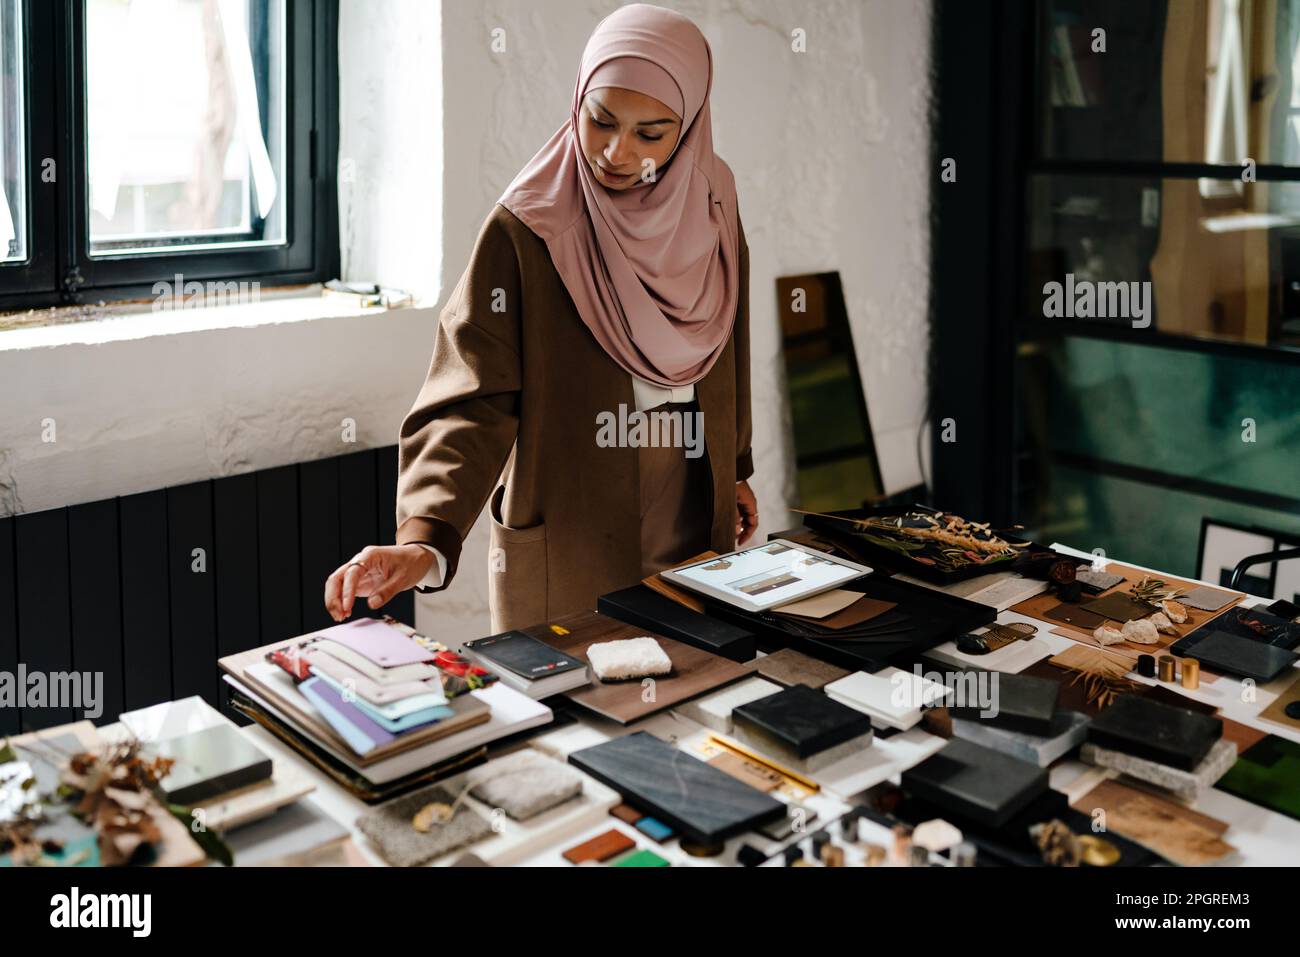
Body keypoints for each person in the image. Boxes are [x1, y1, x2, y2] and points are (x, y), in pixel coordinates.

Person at [324, 3, 756, 631]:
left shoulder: (714, 199)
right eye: (600, 118)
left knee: (696, 692)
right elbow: (471, 393)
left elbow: (729, 335)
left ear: (689, 127)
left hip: (692, 504)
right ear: (577, 98)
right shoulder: (529, 228)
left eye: (651, 132)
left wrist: (735, 466)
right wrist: (426, 535)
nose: (615, 151)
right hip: (573, 528)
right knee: (579, 707)